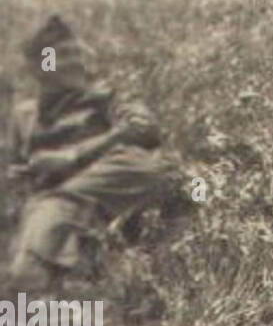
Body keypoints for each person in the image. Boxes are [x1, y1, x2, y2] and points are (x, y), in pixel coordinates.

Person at [5, 15, 177, 292]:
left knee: (142, 163)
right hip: (55, 198)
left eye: (76, 53)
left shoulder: (107, 98)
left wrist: (73, 157)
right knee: (43, 216)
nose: (75, 61)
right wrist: (27, 173)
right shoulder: (24, 114)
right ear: (39, 66)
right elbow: (16, 167)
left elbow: (145, 130)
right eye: (61, 55)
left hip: (112, 182)